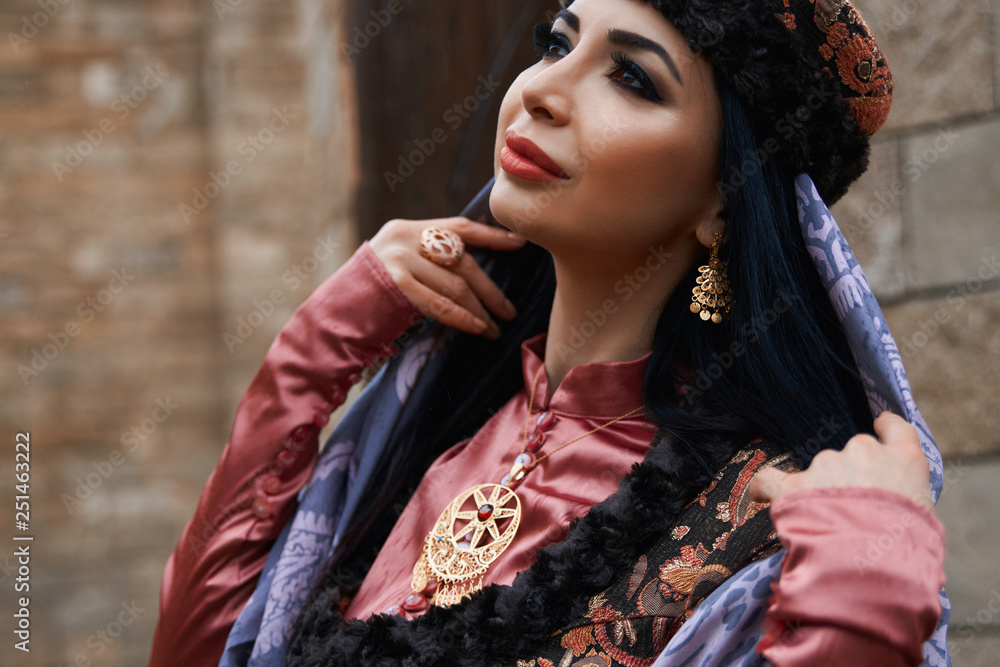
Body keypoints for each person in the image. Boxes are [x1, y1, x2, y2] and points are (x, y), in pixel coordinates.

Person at [149, 0, 950, 665]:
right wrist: (319, 342)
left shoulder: (768, 515)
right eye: (556, 43)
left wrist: (865, 596)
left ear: (722, 198)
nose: (541, 90)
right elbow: (199, 648)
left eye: (631, 77)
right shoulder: (421, 426)